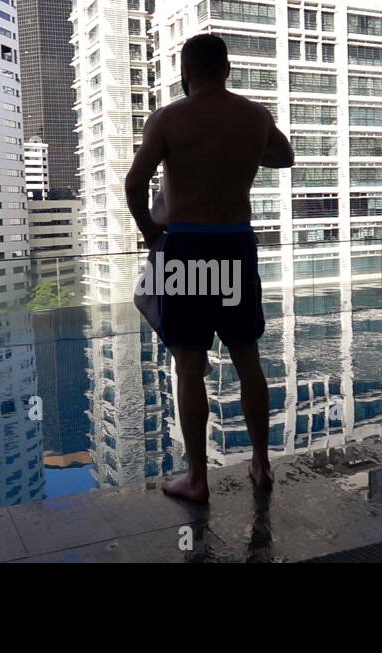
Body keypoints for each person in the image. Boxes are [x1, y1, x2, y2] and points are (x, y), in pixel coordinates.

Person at [124, 34, 295, 503]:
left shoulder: (167, 118)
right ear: (228, 69)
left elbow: (135, 184)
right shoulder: (255, 115)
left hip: (186, 249)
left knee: (189, 366)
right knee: (247, 360)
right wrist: (237, 146)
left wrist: (150, 234)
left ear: (185, 73)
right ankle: (260, 465)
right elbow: (284, 157)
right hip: (236, 245)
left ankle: (198, 479)